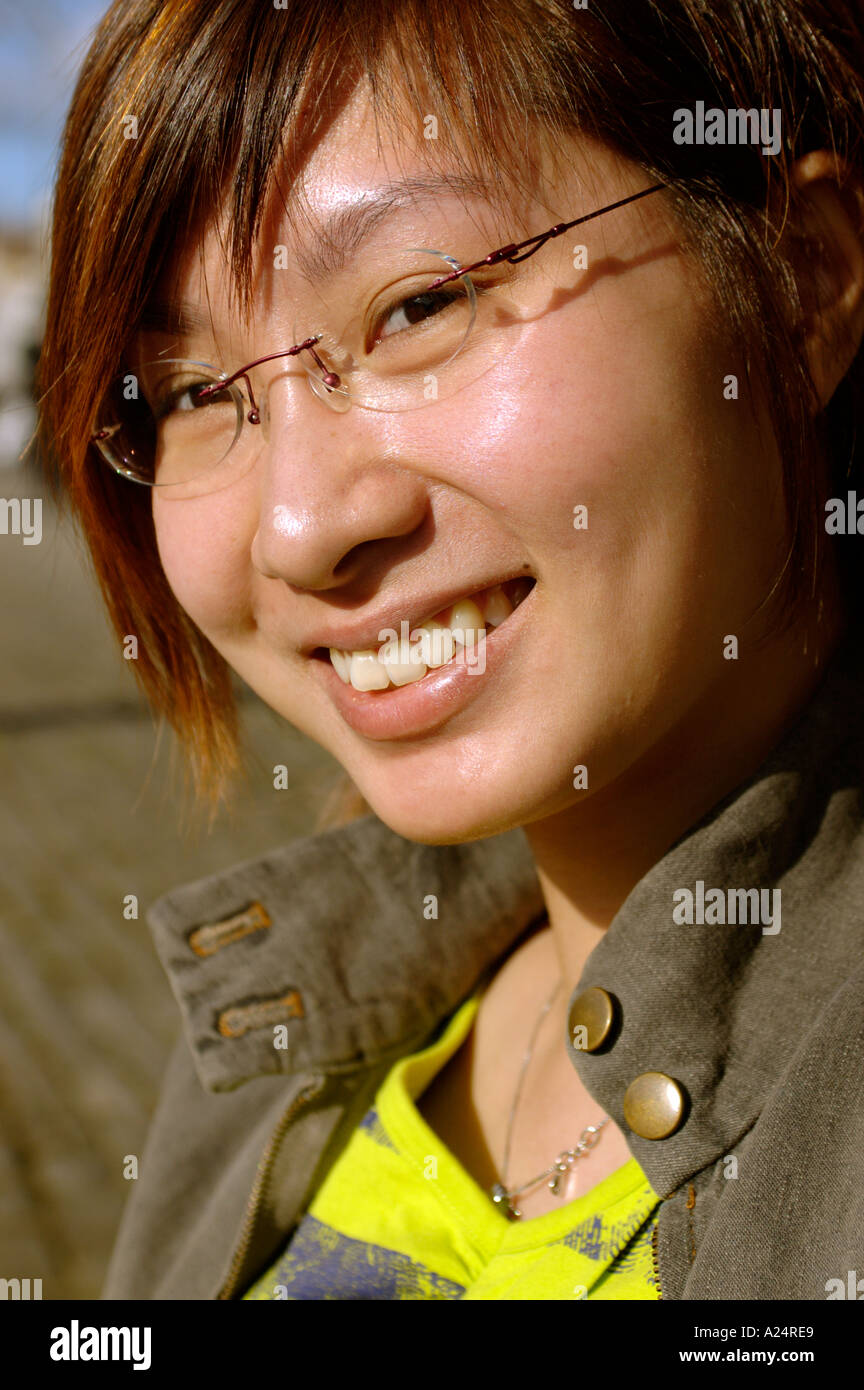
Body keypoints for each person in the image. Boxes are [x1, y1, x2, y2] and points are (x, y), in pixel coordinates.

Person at [38, 0, 864, 1300]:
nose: (302, 525)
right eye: (196, 393)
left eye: (420, 304)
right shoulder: (288, 1040)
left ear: (801, 277)